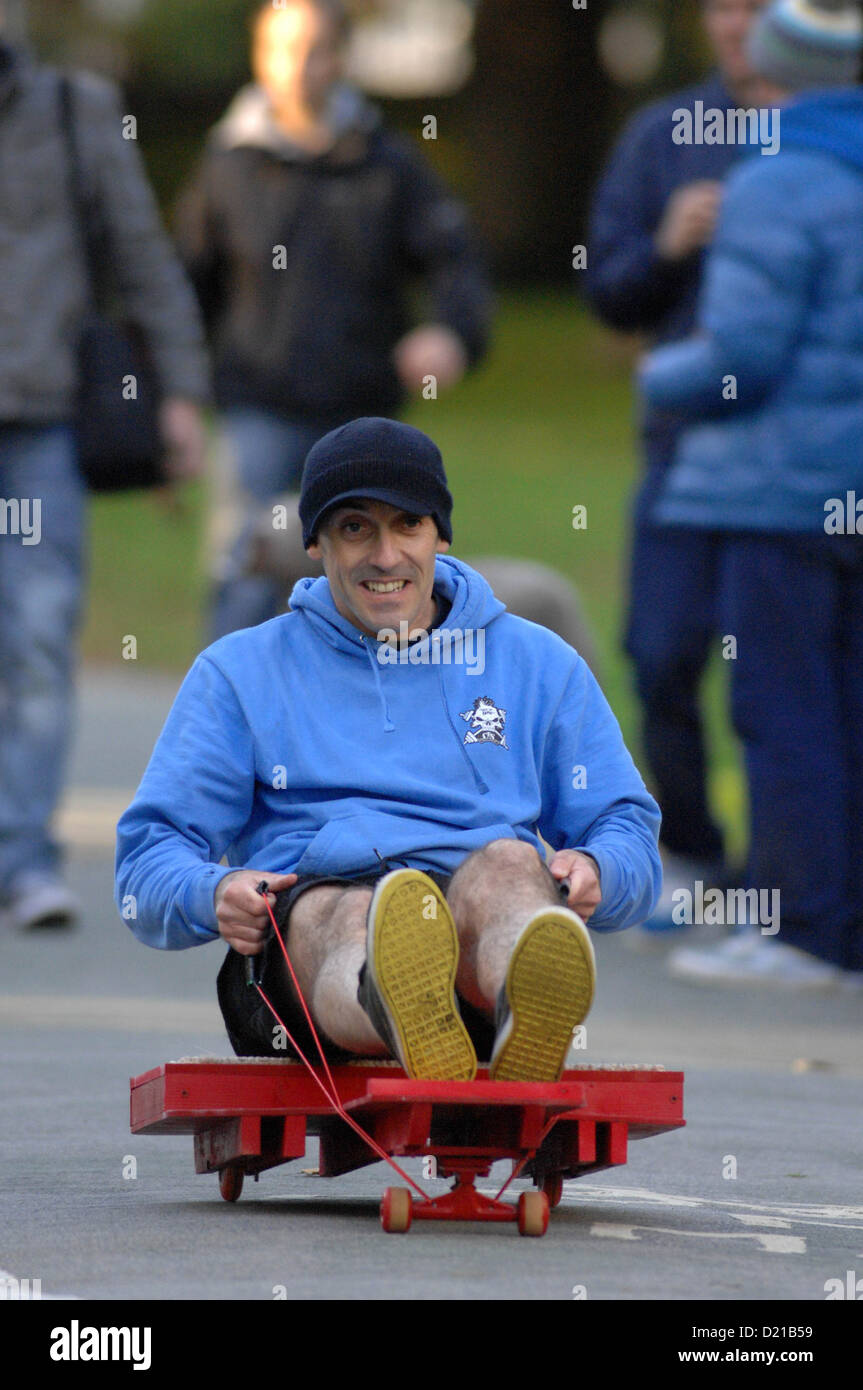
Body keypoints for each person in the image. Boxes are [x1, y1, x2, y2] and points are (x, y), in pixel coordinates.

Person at [115, 418, 661, 1081]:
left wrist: (600, 867)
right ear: (314, 543)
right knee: (349, 911)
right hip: (304, 973)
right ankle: (394, 1003)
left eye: (408, 525)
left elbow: (625, 827)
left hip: (474, 967)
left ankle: (528, 1003)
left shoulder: (536, 661)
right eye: (355, 529)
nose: (386, 555)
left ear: (440, 535)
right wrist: (213, 891)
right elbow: (148, 861)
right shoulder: (240, 672)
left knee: (511, 862)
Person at [640, 0, 863, 987]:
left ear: (774, 75)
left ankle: (798, 929)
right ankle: (843, 928)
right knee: (845, 707)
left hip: (779, 489)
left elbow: (740, 358)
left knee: (780, 709)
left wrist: (657, 375)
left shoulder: (775, 178)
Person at [175, 0, 491, 643]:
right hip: (257, 408)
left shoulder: (387, 163)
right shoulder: (229, 162)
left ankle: (361, 705)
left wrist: (452, 332)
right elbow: (184, 289)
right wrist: (169, 398)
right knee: (244, 574)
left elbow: (455, 260)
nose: (294, 67)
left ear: (340, 58)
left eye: (312, 50)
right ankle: (232, 706)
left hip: (359, 412)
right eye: (278, 49)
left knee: (373, 578)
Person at [0, 9, 210, 932]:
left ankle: (23, 860)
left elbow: (142, 256)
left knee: (40, 636)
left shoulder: (73, 110)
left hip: (43, 424)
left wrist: (179, 393)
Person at [584, 0, 777, 928]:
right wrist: (664, 247)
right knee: (659, 653)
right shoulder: (664, 135)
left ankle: (786, 877)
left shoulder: (827, 134)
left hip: (792, 461)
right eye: (725, 5)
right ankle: (693, 851)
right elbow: (605, 290)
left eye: (759, 6)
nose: (739, 25)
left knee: (781, 675)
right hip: (681, 444)